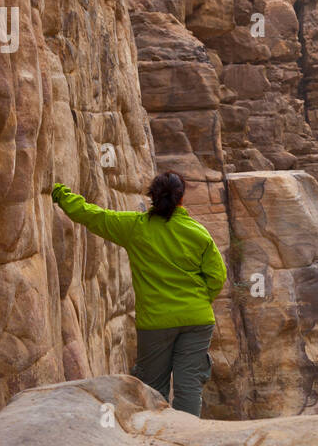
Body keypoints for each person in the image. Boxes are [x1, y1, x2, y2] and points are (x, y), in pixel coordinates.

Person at [50, 172, 226, 417]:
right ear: (181, 198)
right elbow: (218, 276)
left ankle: (160, 436)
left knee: (153, 387)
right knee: (189, 387)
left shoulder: (135, 227)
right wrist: (197, 300)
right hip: (197, 319)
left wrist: (59, 193)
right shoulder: (198, 233)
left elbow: (93, 215)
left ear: (152, 197)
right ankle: (186, 437)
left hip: (155, 322)